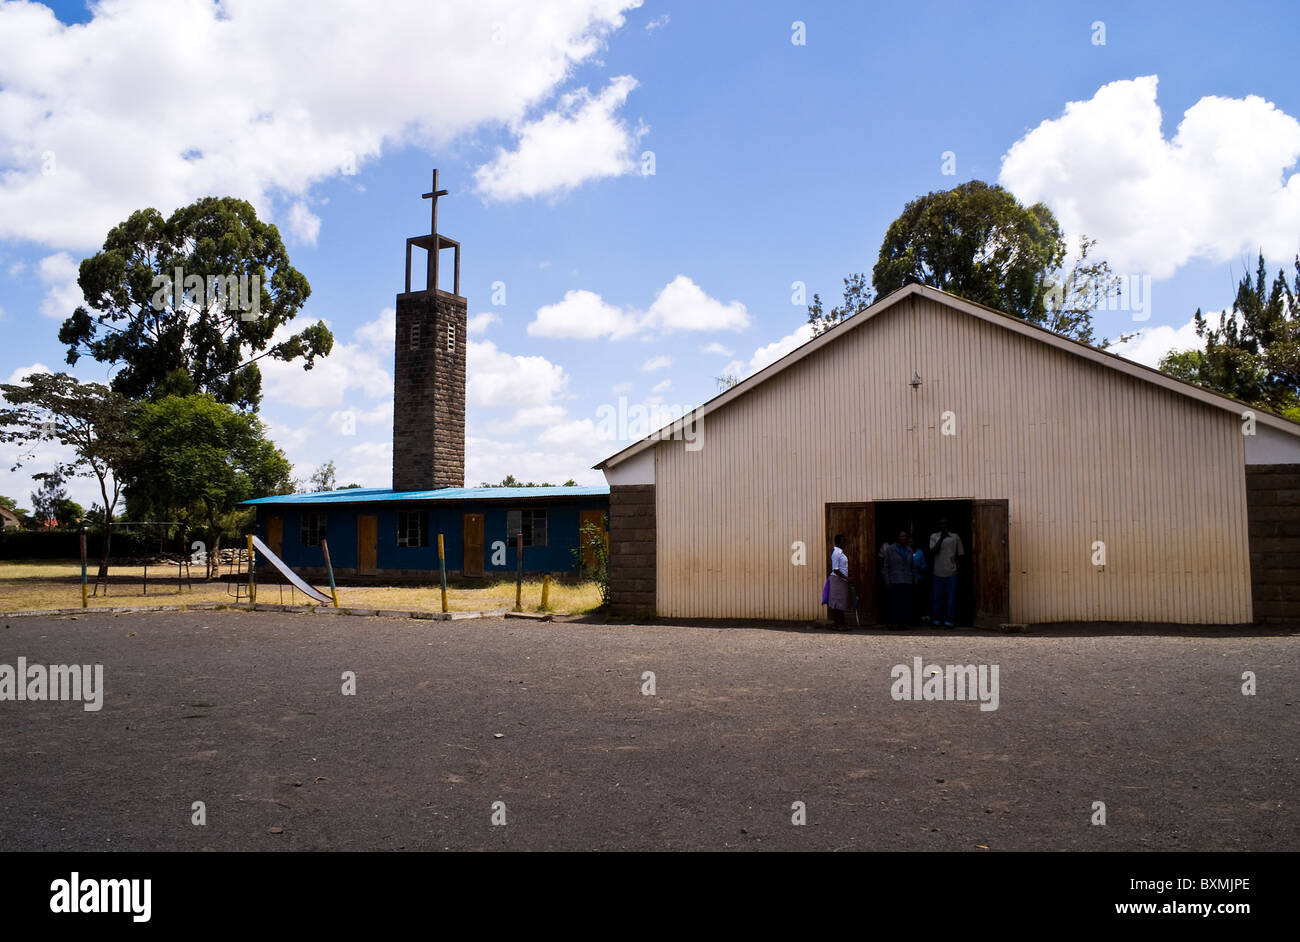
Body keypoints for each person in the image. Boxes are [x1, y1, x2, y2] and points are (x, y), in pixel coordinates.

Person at [929, 517, 965, 627]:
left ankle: (949, 621)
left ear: (948, 525)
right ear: (938, 525)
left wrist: (956, 567)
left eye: (945, 524)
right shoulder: (934, 536)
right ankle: (936, 620)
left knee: (950, 599)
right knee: (936, 598)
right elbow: (933, 551)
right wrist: (941, 538)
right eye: (941, 524)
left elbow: (960, 554)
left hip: (951, 573)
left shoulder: (955, 537)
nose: (943, 526)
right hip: (937, 572)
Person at [880, 529, 914, 629]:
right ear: (897, 537)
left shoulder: (909, 550)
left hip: (907, 579)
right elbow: (885, 566)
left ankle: (903, 623)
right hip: (895, 579)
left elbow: (912, 566)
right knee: (895, 602)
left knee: (905, 602)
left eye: (904, 536)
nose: (903, 538)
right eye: (901, 536)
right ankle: (893, 623)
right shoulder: (890, 549)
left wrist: (914, 579)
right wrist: (886, 579)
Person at [826, 534, 851, 629]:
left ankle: (842, 623)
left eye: (845, 541)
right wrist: (847, 578)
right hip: (837, 579)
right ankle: (837, 624)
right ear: (837, 542)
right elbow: (835, 569)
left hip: (842, 579)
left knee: (841, 602)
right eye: (843, 541)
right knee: (836, 602)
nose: (845, 543)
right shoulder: (836, 553)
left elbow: (842, 567)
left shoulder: (841, 552)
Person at [908, 534, 929, 624]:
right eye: (909, 541)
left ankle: (917, 619)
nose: (910, 543)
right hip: (907, 579)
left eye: (912, 541)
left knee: (918, 600)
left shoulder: (919, 552)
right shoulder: (904, 551)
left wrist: (918, 566)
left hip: (918, 579)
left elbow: (924, 566)